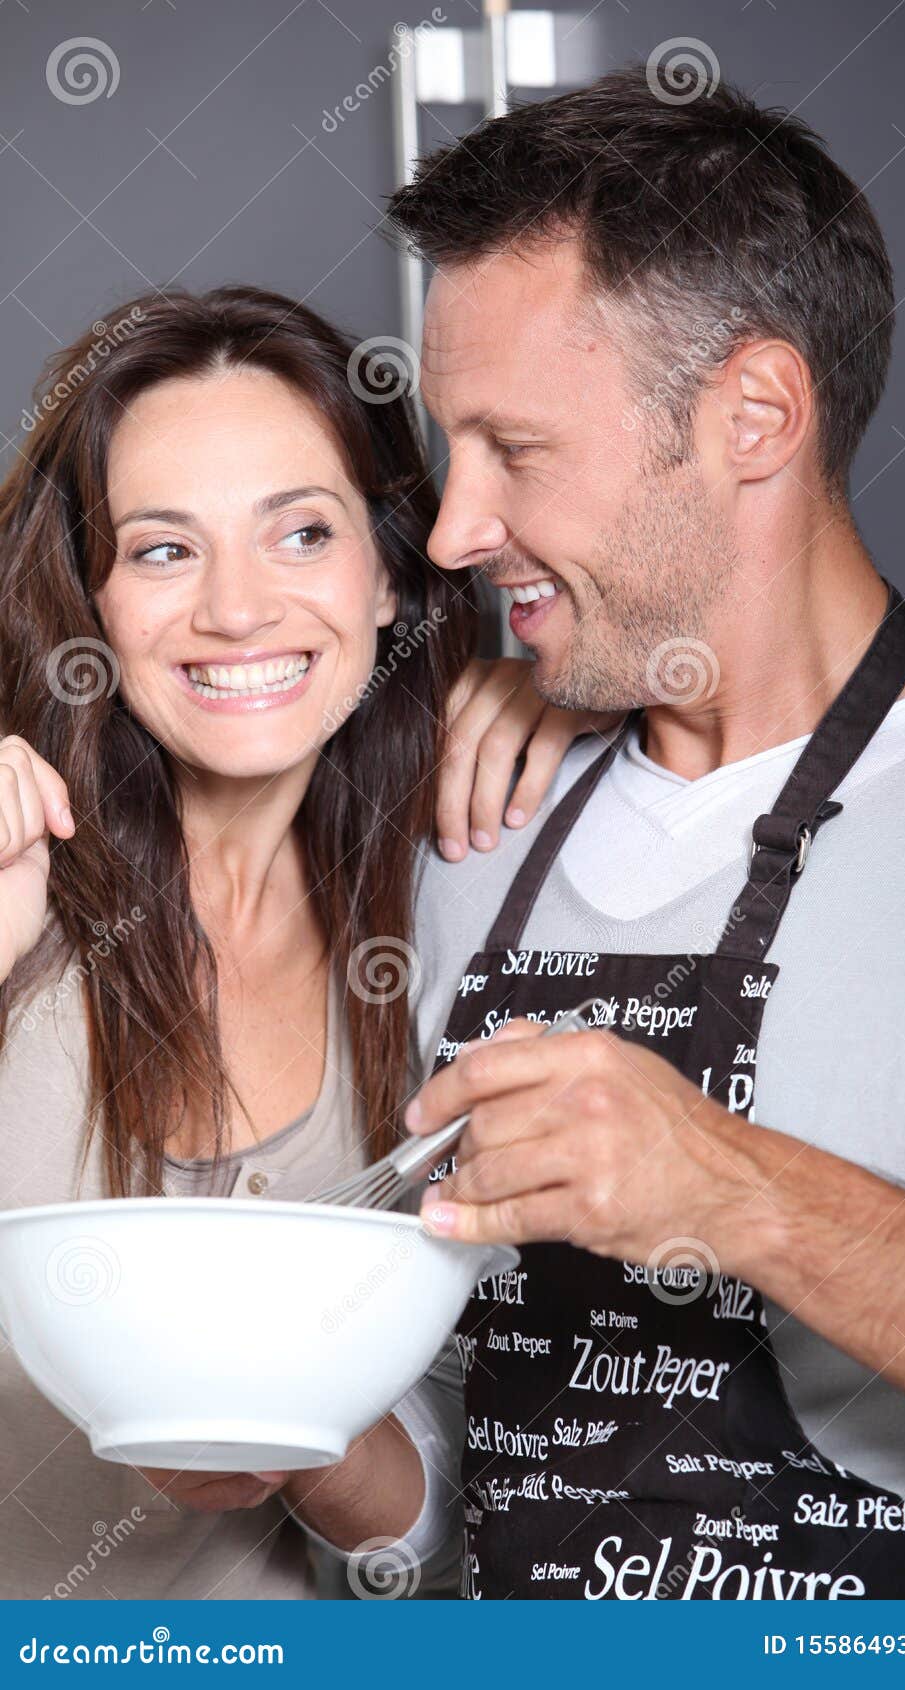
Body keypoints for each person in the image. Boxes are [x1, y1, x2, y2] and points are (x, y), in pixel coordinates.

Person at [389, 69, 905, 1599]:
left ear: (754, 413)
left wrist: (737, 1191)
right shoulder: (473, 813)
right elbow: (448, 1456)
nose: (451, 529)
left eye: (517, 447)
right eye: (452, 447)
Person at [0, 284, 608, 1599]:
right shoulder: (12, 873)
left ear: (390, 570)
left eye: (302, 532)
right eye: (164, 549)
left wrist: (281, 1437)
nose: (236, 608)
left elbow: (449, 1518)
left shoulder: (456, 910)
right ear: (87, 599)